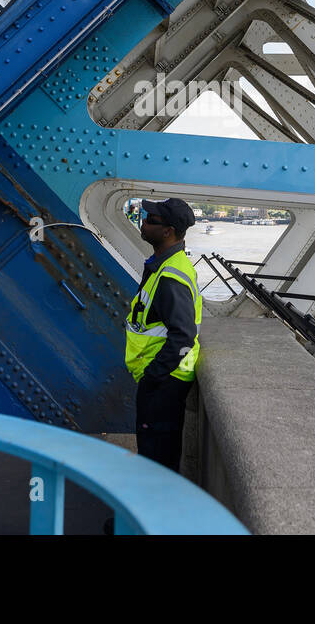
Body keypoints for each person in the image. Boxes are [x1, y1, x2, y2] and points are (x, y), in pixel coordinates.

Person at [125, 197, 202, 472]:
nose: (143, 223)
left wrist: (154, 376)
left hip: (165, 383)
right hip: (163, 379)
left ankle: (152, 513)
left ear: (168, 231)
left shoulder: (170, 276)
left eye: (150, 220)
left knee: (157, 456)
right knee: (154, 452)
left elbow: (183, 336)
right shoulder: (166, 264)